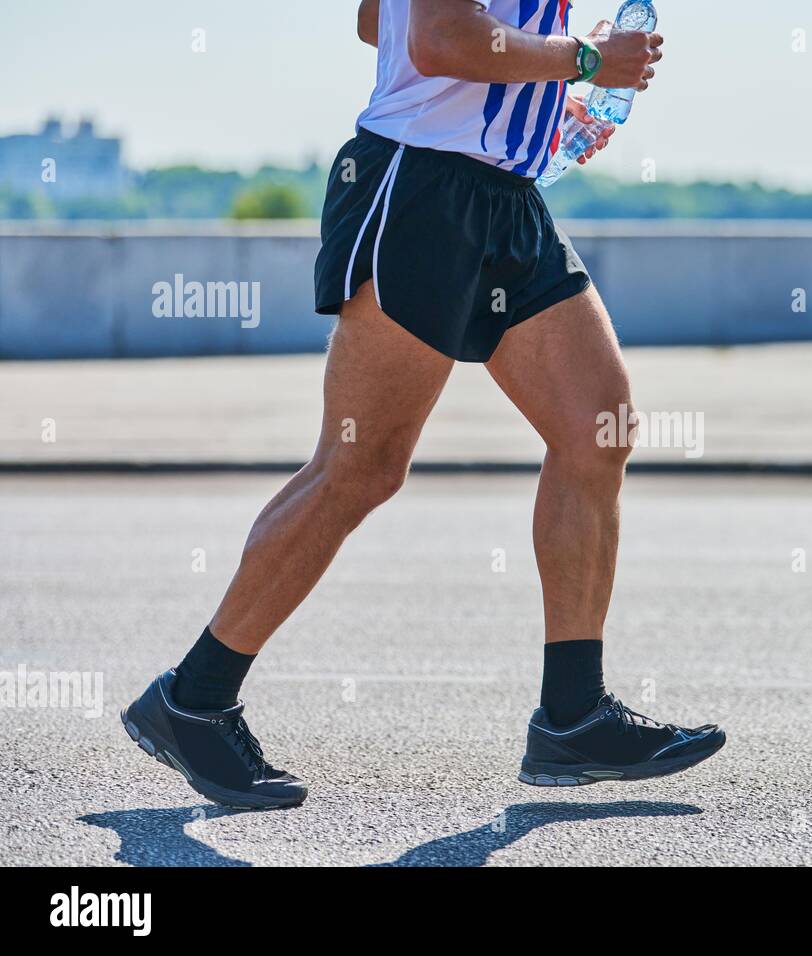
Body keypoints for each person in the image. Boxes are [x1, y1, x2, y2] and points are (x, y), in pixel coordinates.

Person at [121, 0, 725, 809]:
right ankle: (192, 700)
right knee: (358, 469)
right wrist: (582, 63)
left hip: (505, 197)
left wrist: (542, 103)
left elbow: (378, 20)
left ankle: (574, 716)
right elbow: (437, 38)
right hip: (417, 189)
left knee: (596, 428)